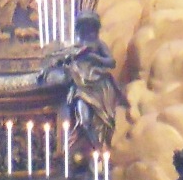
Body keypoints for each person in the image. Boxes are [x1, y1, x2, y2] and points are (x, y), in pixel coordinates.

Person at [37, 9, 124, 150]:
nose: (87, 32)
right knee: (83, 120)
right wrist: (49, 68)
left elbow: (111, 62)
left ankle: (98, 153)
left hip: (97, 86)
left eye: (90, 28)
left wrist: (93, 57)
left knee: (98, 121)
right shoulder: (75, 47)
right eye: (84, 28)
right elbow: (61, 60)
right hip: (79, 87)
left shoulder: (98, 45)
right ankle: (93, 151)